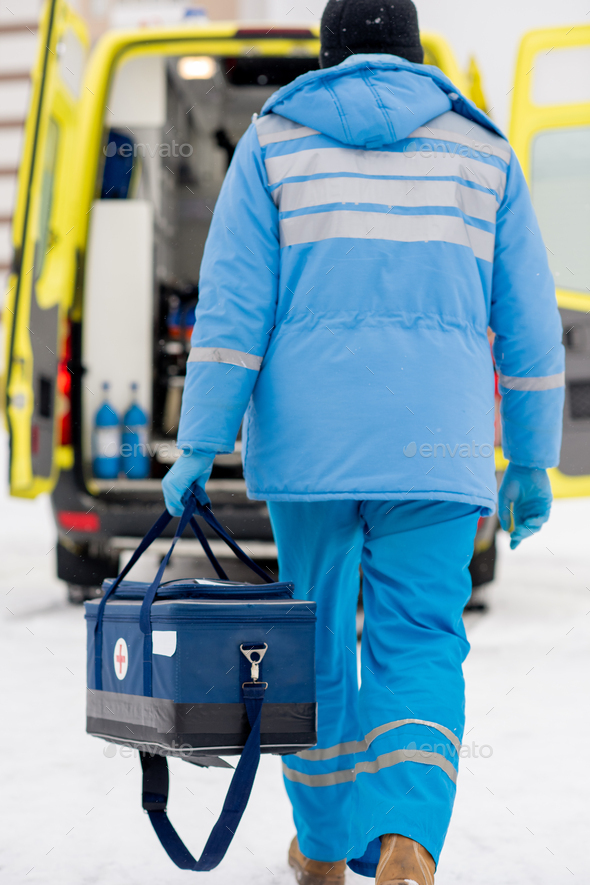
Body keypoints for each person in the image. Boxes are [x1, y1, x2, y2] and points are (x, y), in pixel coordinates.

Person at [163, 0, 564, 881]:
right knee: (419, 637)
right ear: (417, 57)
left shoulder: (274, 144)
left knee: (312, 639)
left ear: (327, 55)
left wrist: (200, 440)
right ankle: (407, 842)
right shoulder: (483, 150)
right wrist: (533, 456)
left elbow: (233, 310)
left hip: (312, 451)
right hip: (440, 450)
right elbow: (531, 323)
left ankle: (322, 848)